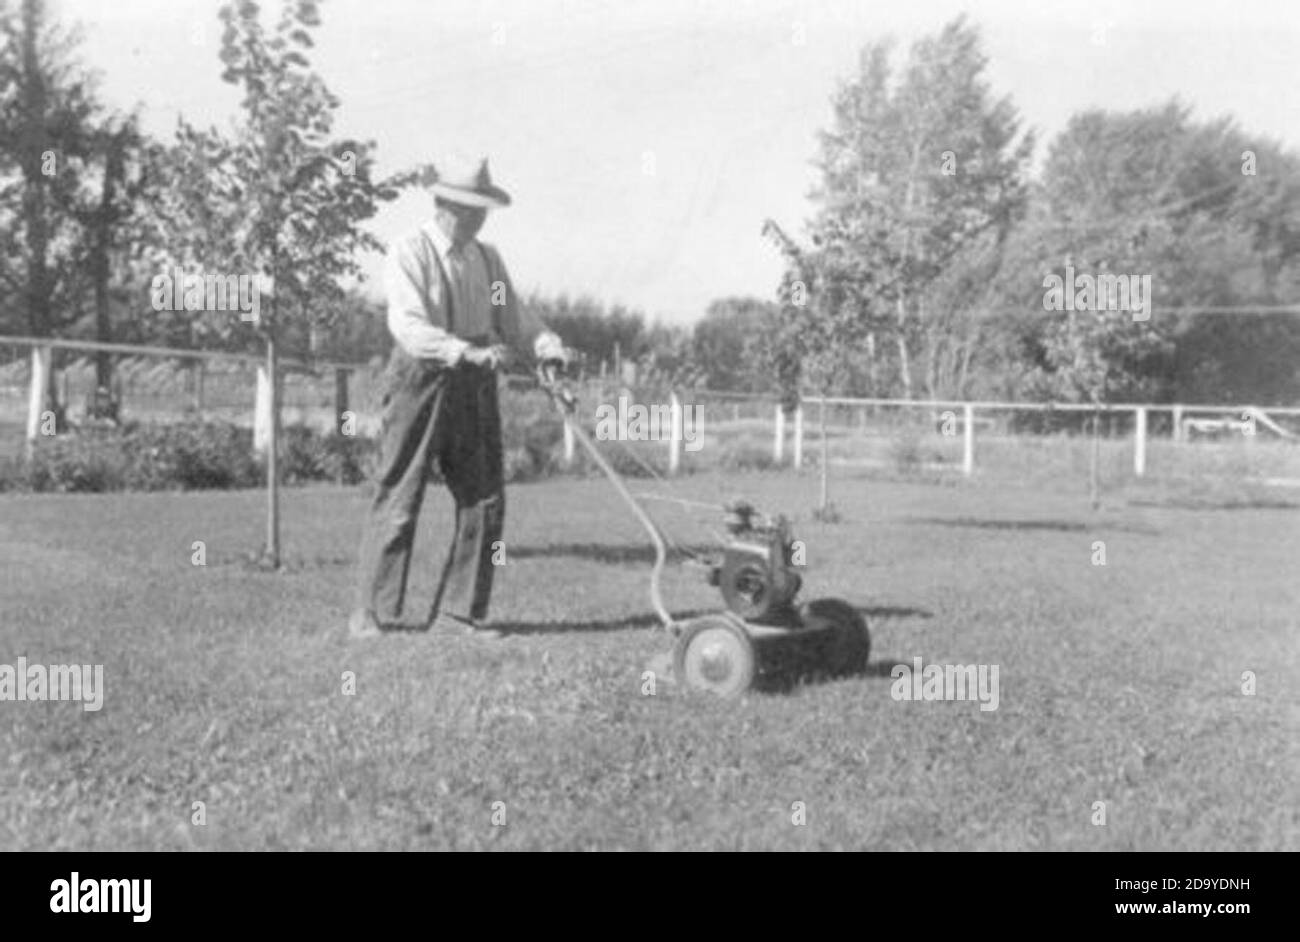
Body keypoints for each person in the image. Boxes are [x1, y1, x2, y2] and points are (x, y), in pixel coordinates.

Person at [349, 155, 567, 640]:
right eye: (471, 208)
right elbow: (407, 325)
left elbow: (514, 316)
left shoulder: (487, 260)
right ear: (444, 204)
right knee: (400, 494)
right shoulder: (410, 251)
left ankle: (458, 615)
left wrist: (546, 347)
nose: (479, 217)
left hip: (475, 385)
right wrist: (463, 351)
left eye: (484, 208)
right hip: (420, 377)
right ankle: (372, 614)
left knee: (485, 497)